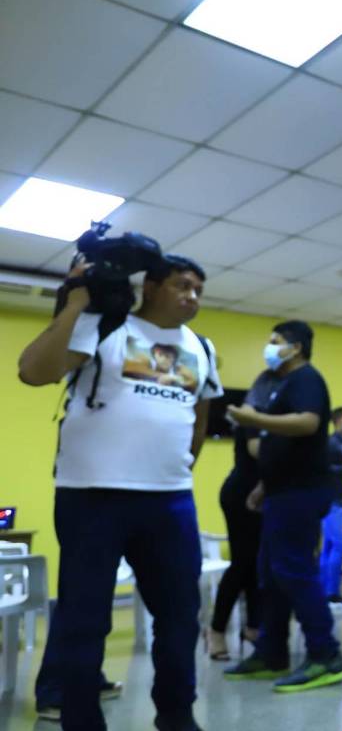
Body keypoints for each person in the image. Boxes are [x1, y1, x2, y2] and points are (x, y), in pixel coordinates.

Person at [18, 254, 222, 731]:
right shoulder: (105, 327)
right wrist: (77, 303)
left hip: (170, 500)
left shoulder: (202, 346)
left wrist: (178, 466)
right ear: (149, 286)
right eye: (182, 285)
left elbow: (202, 415)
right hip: (91, 496)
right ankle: (81, 720)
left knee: (178, 620)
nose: (192, 296)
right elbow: (33, 370)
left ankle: (176, 716)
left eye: (199, 289)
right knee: (85, 620)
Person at [223, 321, 342, 693]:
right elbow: (280, 447)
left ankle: (325, 654)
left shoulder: (306, 378)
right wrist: (264, 485)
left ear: (296, 347)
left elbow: (307, 424)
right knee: (270, 575)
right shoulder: (281, 385)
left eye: (275, 342)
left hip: (301, 493)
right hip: (281, 491)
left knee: (293, 571)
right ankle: (271, 652)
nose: (269, 347)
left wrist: (252, 419)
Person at [206, 369, 281, 661]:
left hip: (262, 494)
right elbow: (256, 450)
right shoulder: (253, 413)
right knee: (241, 564)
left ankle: (253, 626)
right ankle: (216, 631)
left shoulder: (270, 414)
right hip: (241, 494)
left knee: (255, 564)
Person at [321, 406, 342, 608]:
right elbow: (324, 470)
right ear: (337, 420)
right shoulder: (331, 443)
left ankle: (326, 591)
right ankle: (332, 593)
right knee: (340, 544)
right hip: (332, 501)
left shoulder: (340, 444)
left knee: (330, 546)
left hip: (337, 501)